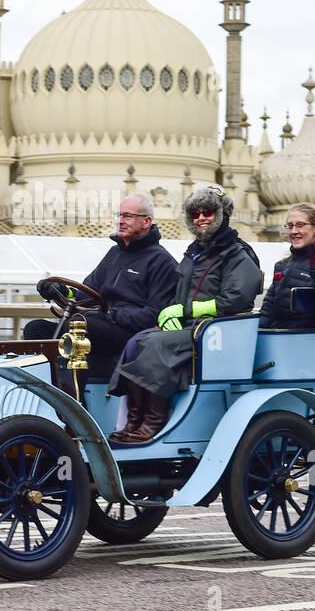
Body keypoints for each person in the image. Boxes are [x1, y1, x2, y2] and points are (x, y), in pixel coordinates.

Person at [107, 184, 262, 444]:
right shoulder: (194, 253)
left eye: (208, 212)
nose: (201, 218)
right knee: (136, 341)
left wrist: (186, 310)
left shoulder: (237, 253)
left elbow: (236, 299)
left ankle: (154, 421)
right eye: (195, 213)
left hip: (217, 331)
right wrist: (170, 311)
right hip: (189, 328)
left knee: (156, 344)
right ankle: (135, 418)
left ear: (222, 214)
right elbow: (179, 292)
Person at [24, 192, 178, 383]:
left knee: (80, 327)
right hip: (99, 325)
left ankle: (73, 400)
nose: (120, 221)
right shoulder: (114, 254)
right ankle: (42, 390)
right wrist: (60, 291)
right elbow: (86, 293)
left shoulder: (162, 262)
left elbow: (155, 313)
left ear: (146, 222)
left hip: (131, 334)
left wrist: (112, 315)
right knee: (35, 330)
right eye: (119, 215)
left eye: (127, 216)